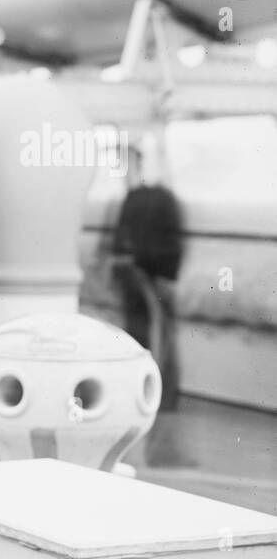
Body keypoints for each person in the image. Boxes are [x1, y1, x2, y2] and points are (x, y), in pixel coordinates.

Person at [112, 145, 182, 409]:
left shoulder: (135, 199)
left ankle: (142, 391)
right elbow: (172, 239)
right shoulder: (163, 198)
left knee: (140, 333)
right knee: (160, 334)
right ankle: (162, 395)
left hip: (137, 273)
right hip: (154, 274)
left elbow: (122, 238)